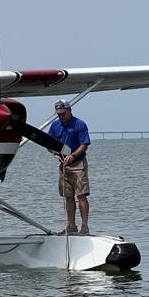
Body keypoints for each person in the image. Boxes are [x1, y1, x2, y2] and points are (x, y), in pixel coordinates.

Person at [48, 99, 92, 235]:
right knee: (68, 196)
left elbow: (84, 144)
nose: (61, 116)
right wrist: (54, 152)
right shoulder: (55, 126)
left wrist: (72, 156)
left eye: (63, 113)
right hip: (63, 164)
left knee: (81, 195)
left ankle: (84, 226)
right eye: (59, 114)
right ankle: (71, 226)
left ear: (69, 111)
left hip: (78, 163)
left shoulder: (79, 124)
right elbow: (48, 143)